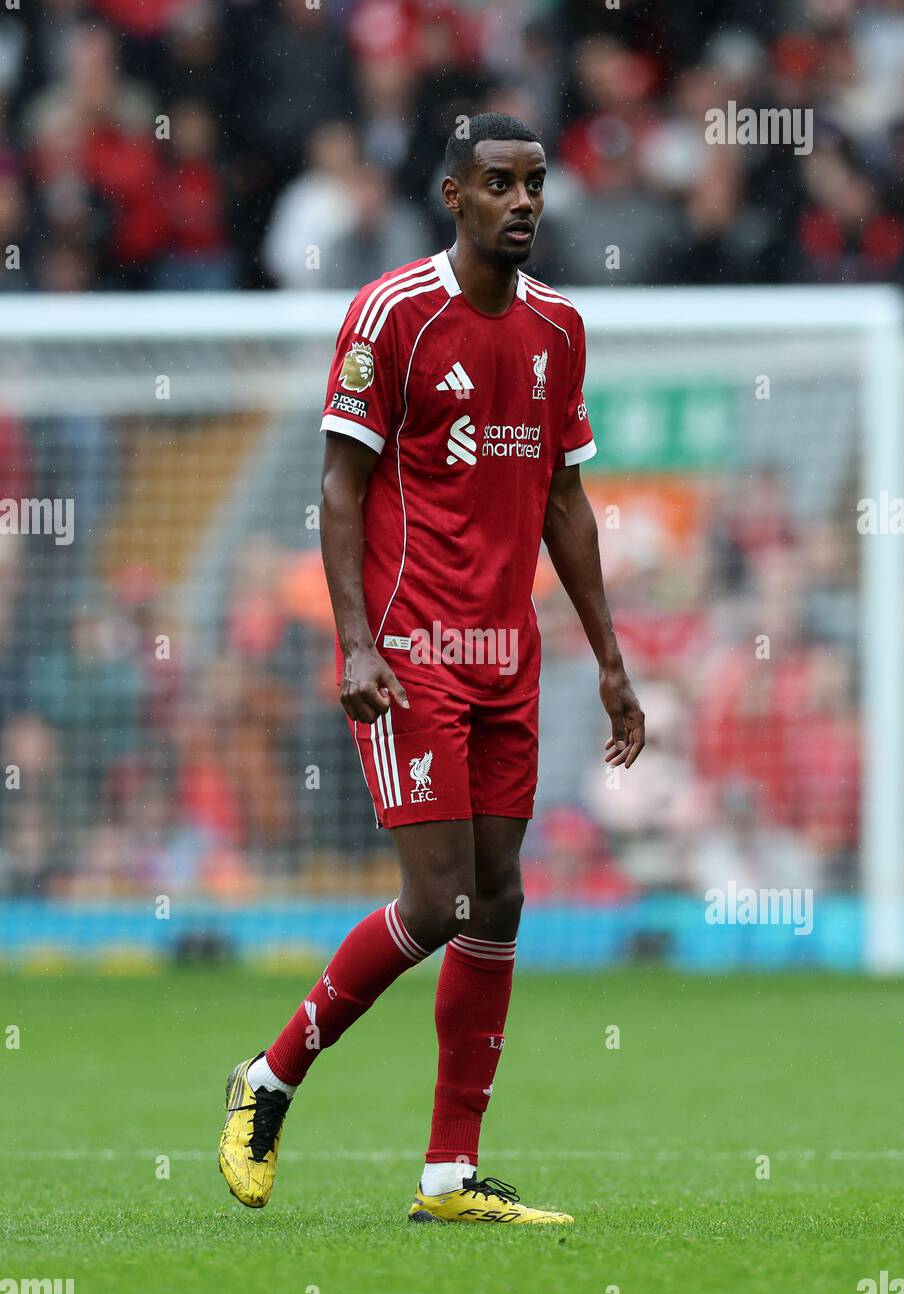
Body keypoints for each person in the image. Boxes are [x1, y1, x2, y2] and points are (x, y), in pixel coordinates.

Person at [219, 112, 645, 1225]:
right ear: (453, 195)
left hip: (508, 653)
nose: (523, 203)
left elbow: (566, 502)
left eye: (535, 184)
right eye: (500, 184)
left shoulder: (559, 328)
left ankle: (449, 1174)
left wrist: (609, 658)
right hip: (409, 654)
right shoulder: (393, 316)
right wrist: (355, 639)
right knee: (442, 897)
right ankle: (267, 1077)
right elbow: (338, 490)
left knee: (498, 895)